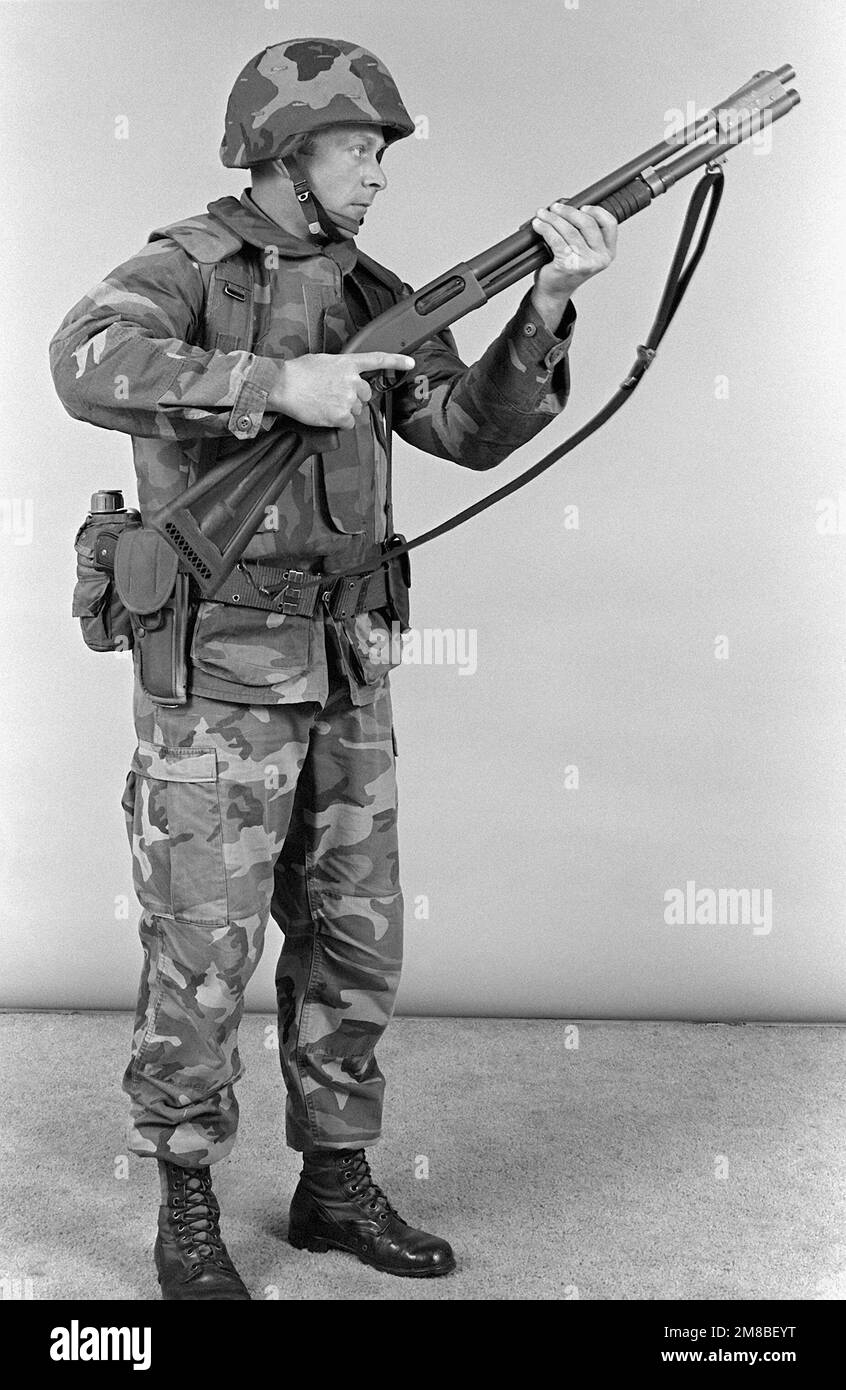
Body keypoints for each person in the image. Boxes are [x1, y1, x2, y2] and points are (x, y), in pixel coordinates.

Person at [49, 37, 617, 1300]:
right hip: (217, 682)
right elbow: (82, 361)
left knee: (354, 939)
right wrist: (269, 383)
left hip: (349, 666)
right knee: (203, 947)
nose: (379, 172)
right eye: (359, 147)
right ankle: (187, 1200)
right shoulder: (182, 270)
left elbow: (466, 431)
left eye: (379, 150)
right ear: (284, 150)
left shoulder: (371, 291)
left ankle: (335, 1181)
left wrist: (549, 306)